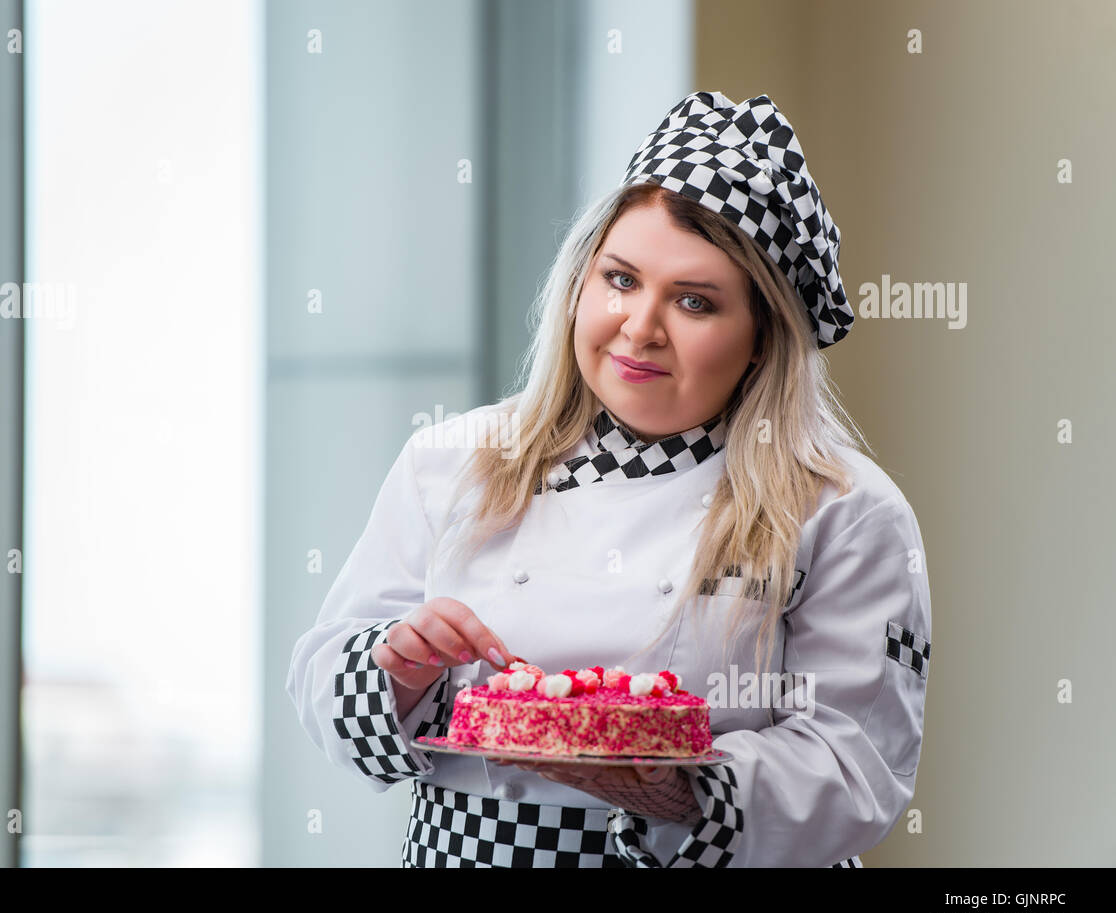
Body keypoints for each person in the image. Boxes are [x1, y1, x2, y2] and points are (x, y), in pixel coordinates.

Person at [285, 91, 931, 867]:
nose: (639, 327)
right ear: (580, 282)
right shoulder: (449, 460)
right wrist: (396, 665)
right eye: (621, 280)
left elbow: (859, 764)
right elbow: (323, 676)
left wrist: (675, 791)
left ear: (763, 338)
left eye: (694, 301)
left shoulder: (847, 513)